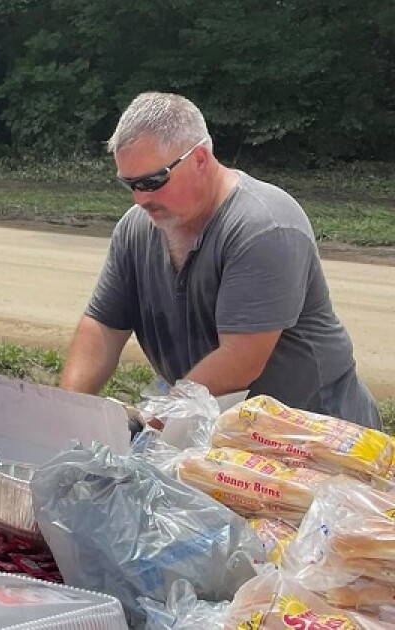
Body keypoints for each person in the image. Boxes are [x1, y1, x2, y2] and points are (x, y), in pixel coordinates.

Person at [59, 92, 381, 429]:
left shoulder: (263, 226)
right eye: (131, 184)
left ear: (199, 158)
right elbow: (103, 327)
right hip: (223, 438)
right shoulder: (134, 230)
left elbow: (240, 360)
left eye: (154, 181)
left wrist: (152, 424)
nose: (141, 198)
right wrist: (67, 414)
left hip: (317, 437)